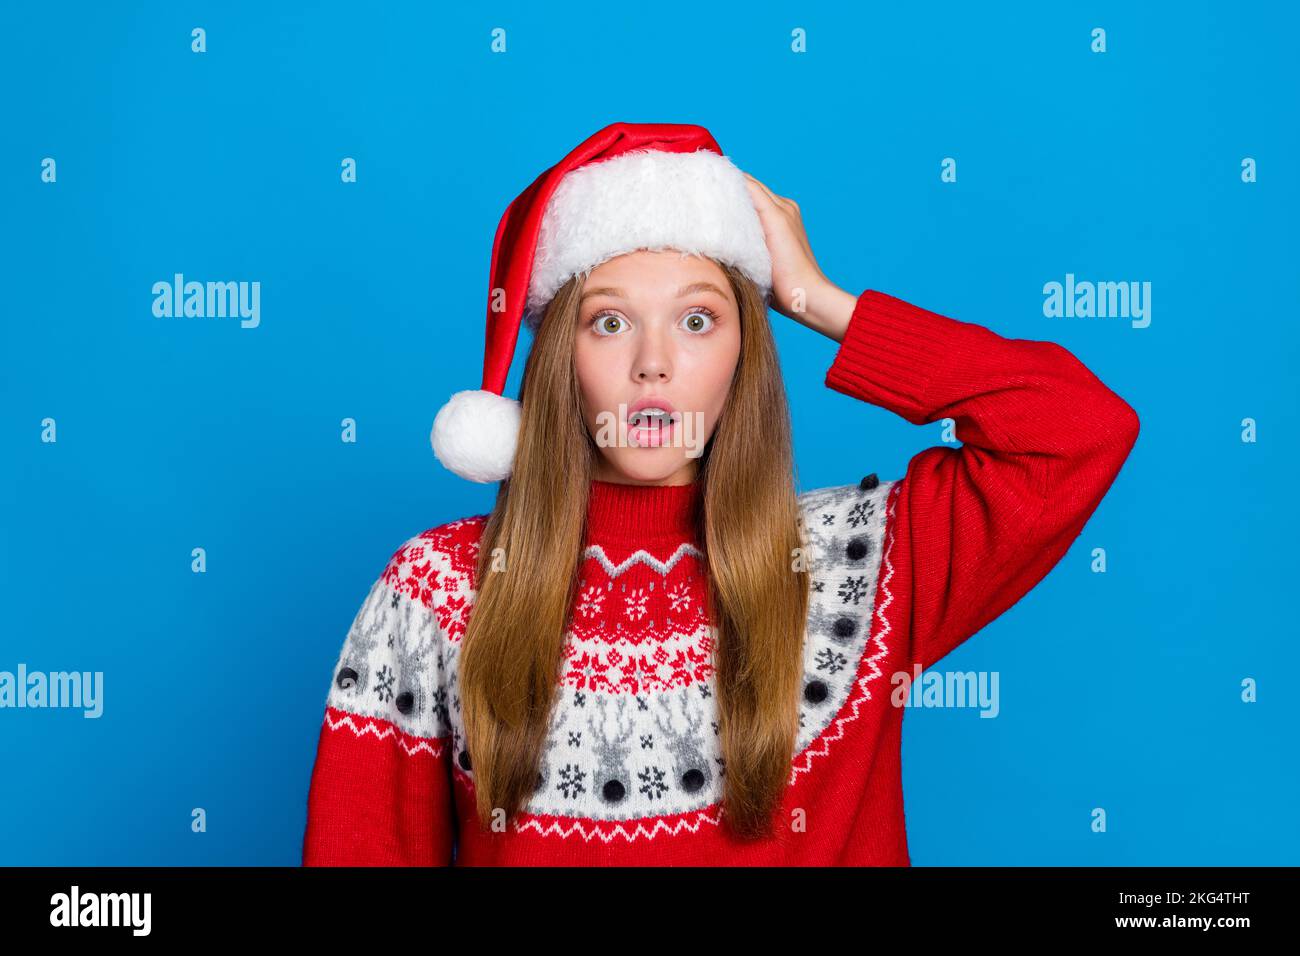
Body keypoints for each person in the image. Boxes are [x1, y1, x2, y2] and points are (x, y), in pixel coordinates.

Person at [301, 122, 1139, 866]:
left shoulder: (869, 561)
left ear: (747, 351)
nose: (654, 363)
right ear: (561, 358)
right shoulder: (436, 591)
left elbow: (1077, 427)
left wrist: (820, 300)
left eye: (698, 319)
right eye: (610, 321)